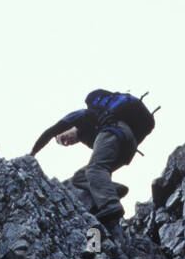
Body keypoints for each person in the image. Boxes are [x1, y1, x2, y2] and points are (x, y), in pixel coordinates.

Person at [31, 90, 154, 228]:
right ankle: (114, 189)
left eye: (63, 137)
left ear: (68, 128)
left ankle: (110, 204)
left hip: (116, 130)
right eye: (64, 143)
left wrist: (32, 153)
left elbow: (50, 132)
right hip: (128, 144)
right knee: (80, 177)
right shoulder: (89, 136)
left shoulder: (82, 115)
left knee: (95, 169)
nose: (67, 142)